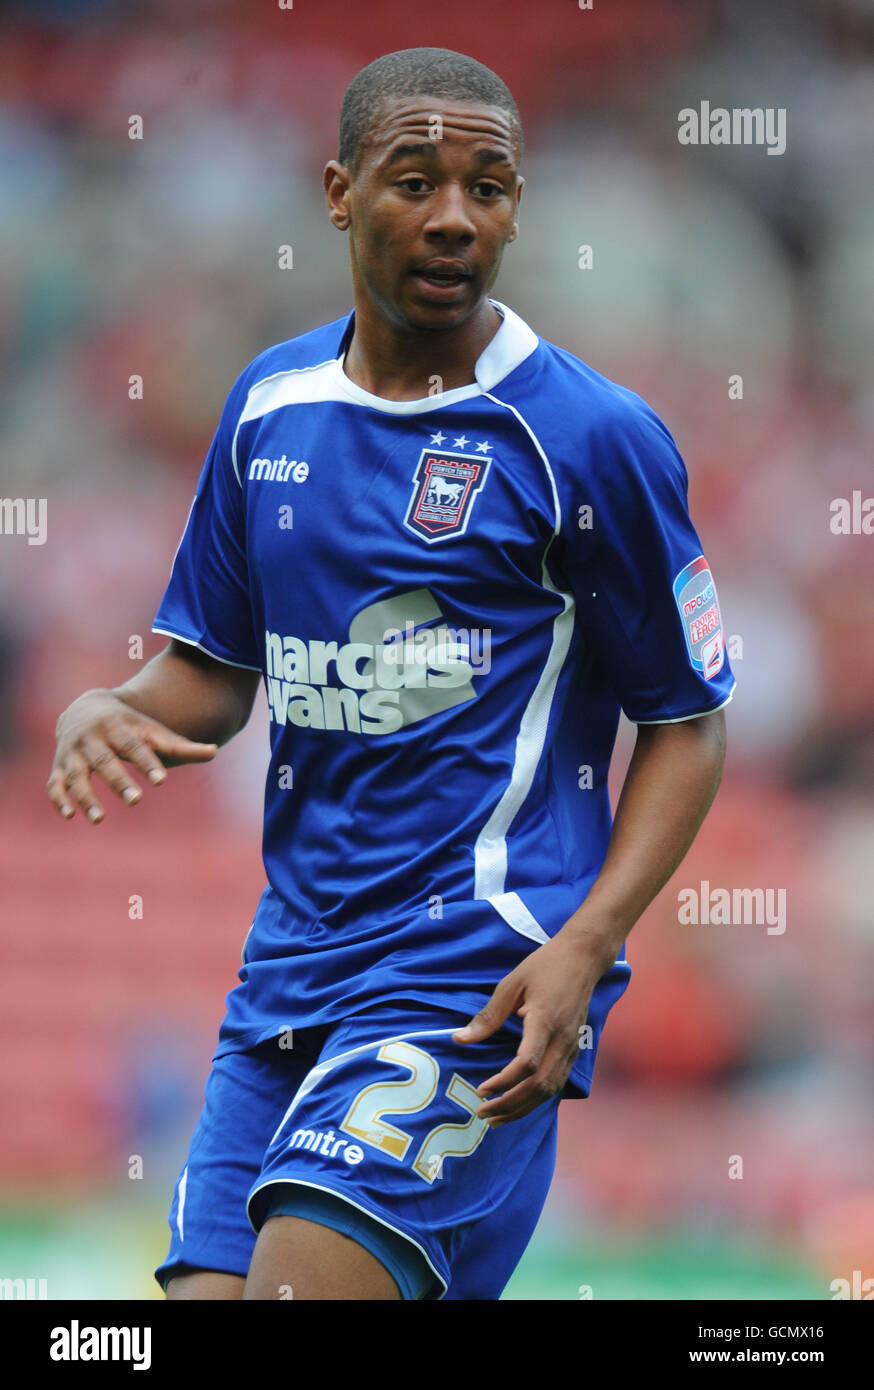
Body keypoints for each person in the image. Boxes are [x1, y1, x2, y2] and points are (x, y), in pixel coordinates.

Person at [47, 47, 734, 1301]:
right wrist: (119, 705)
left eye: (488, 185)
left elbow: (686, 722)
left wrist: (588, 943)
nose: (455, 216)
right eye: (414, 180)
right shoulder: (269, 406)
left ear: (518, 206)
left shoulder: (588, 437)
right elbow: (216, 671)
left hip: (474, 971)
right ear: (338, 191)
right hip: (289, 975)